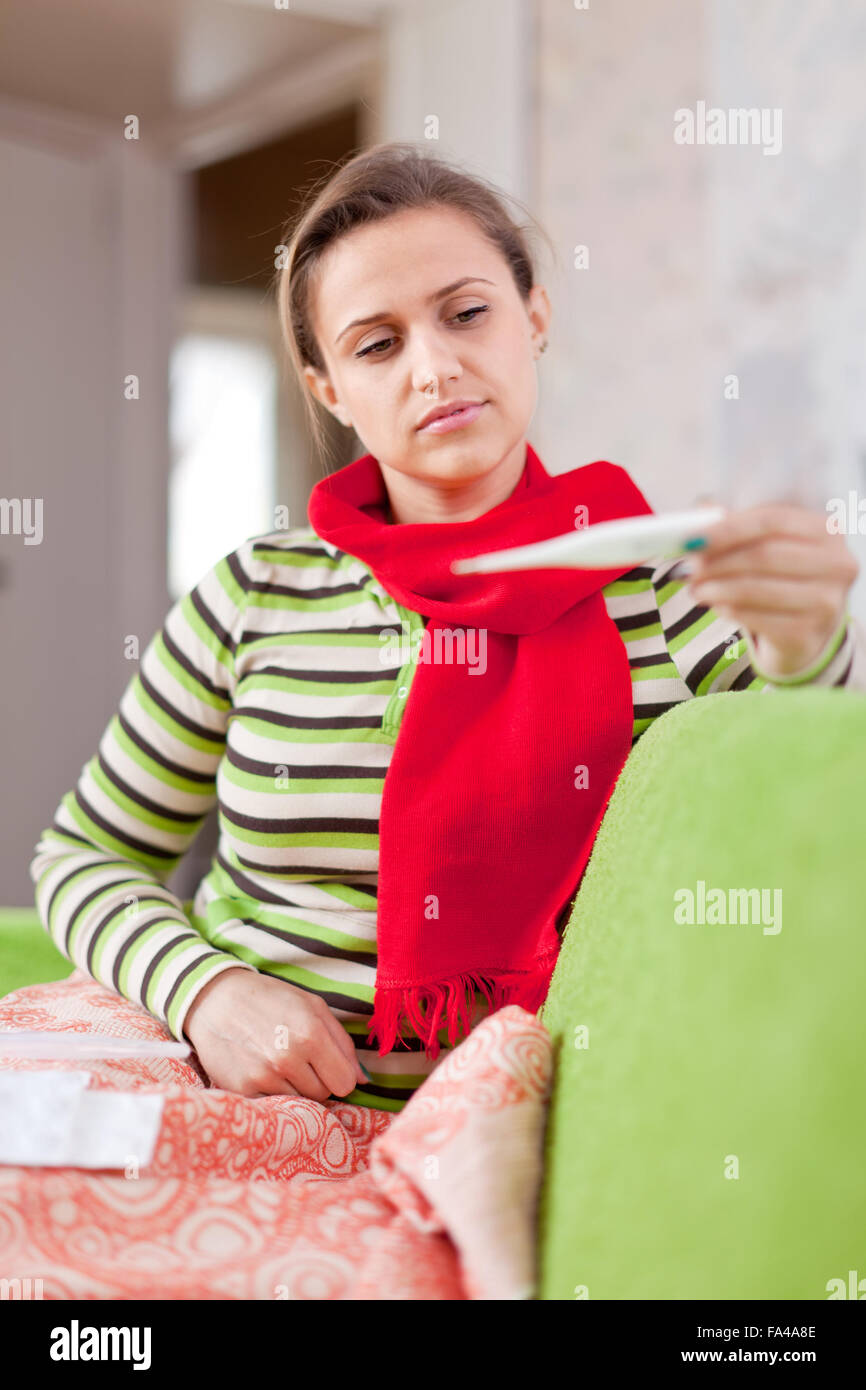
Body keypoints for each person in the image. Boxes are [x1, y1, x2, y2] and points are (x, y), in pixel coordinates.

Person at [28, 142, 864, 1114]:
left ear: (534, 318)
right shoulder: (256, 590)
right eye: (375, 344)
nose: (433, 368)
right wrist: (207, 992)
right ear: (329, 386)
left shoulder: (665, 589)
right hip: (207, 1089)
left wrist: (807, 642)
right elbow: (86, 854)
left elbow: (808, 798)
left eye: (466, 313)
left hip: (480, 1131)